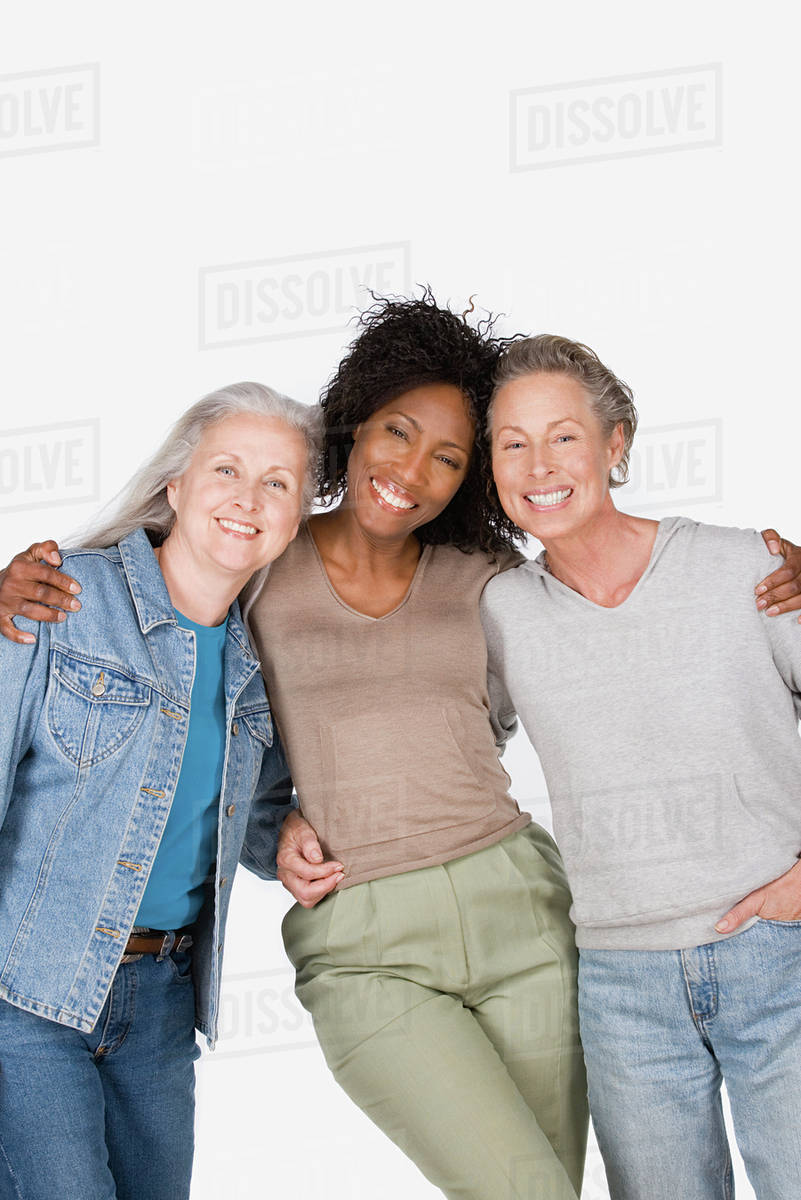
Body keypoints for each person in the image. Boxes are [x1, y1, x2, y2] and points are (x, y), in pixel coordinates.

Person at [2, 300, 801, 1200]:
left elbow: (612, 657)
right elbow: (166, 644)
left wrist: (770, 576)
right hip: (362, 939)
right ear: (352, 427)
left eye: (452, 457)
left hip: (527, 917)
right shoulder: (261, 559)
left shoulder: (494, 586)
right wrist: (20, 588)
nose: (414, 470)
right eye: (396, 432)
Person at [481, 334, 801, 1200]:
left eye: (563, 436)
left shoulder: (749, 569)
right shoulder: (501, 612)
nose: (537, 464)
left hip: (781, 951)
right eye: (511, 443)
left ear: (614, 443)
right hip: (621, 985)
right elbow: (442, 740)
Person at [0, 381, 321, 1200]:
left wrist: (282, 838)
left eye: (277, 483)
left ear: (294, 519)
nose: (247, 499)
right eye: (226, 470)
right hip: (27, 990)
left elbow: (241, 823)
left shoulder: (260, 667)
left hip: (162, 1006)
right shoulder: (59, 596)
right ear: (176, 485)